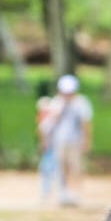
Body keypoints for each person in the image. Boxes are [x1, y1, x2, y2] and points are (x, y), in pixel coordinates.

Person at [44, 74, 93, 206]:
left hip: (75, 141)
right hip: (59, 141)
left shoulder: (81, 103)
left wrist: (87, 140)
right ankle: (63, 193)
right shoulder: (56, 102)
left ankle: (75, 194)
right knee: (61, 167)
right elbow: (50, 123)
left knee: (76, 167)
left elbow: (86, 123)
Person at [36, 96, 59, 200]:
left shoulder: (49, 122)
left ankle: (51, 191)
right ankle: (47, 191)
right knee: (46, 170)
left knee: (49, 169)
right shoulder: (44, 121)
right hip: (49, 150)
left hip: (53, 150)